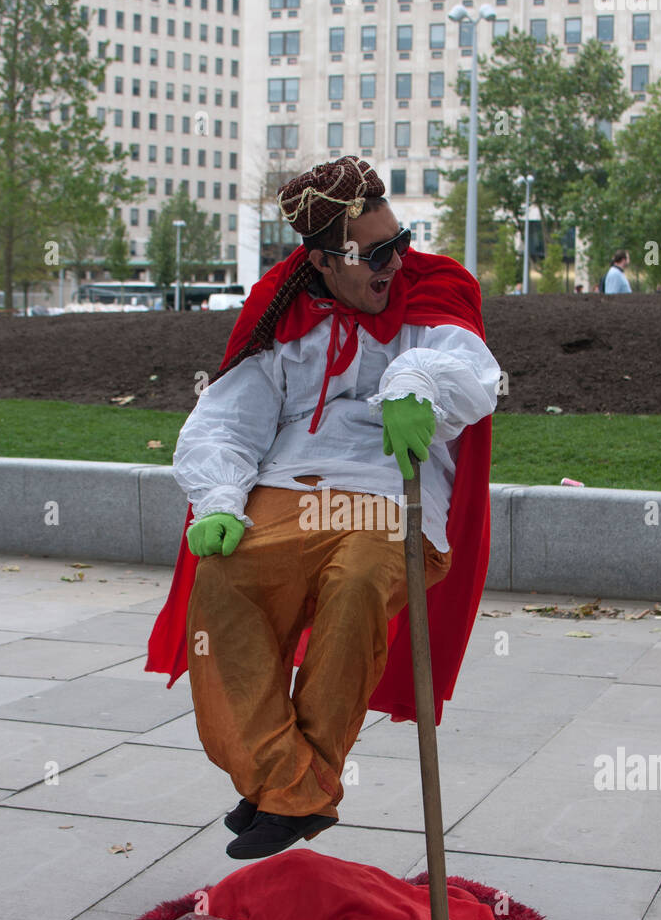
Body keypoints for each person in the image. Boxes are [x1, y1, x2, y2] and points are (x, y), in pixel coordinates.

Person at [146, 155, 501, 860]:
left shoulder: (434, 292)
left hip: (388, 494)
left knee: (359, 586)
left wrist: (414, 379)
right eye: (374, 255)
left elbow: (472, 375)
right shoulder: (282, 310)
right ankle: (292, 788)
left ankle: (281, 790)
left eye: (399, 243)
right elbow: (227, 419)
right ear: (322, 260)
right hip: (286, 487)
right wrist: (219, 496)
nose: (394, 264)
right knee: (223, 584)